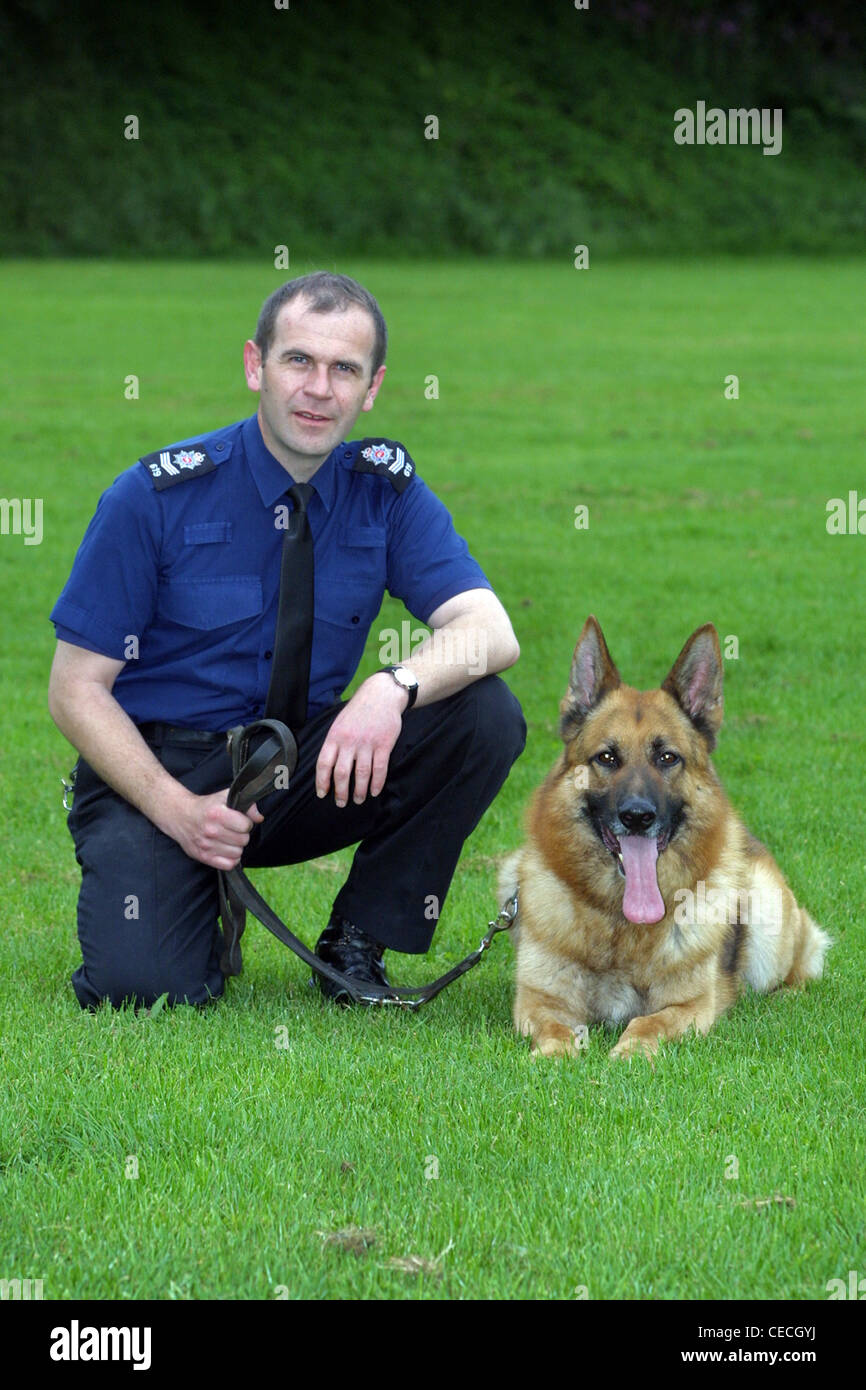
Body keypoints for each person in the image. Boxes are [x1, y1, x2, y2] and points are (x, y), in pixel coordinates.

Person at [48, 271, 526, 1010]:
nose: (319, 389)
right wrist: (177, 810)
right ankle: (191, 886)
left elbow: (490, 631)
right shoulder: (154, 497)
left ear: (372, 388)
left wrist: (388, 690)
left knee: (482, 713)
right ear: (255, 365)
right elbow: (75, 689)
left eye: (345, 369)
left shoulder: (383, 494)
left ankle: (358, 940)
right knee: (142, 990)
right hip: (160, 771)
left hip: (293, 768)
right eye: (298, 360)